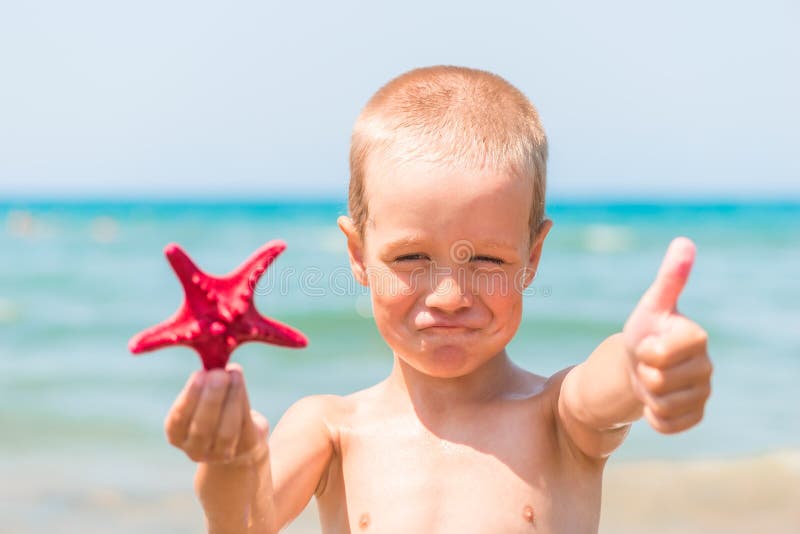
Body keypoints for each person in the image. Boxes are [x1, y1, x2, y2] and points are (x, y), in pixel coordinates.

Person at [164, 66, 712, 533]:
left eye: (488, 260)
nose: (450, 296)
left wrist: (641, 360)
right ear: (358, 255)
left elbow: (602, 389)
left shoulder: (557, 419)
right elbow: (246, 522)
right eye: (411, 258)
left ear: (532, 257)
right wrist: (231, 462)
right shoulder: (330, 429)